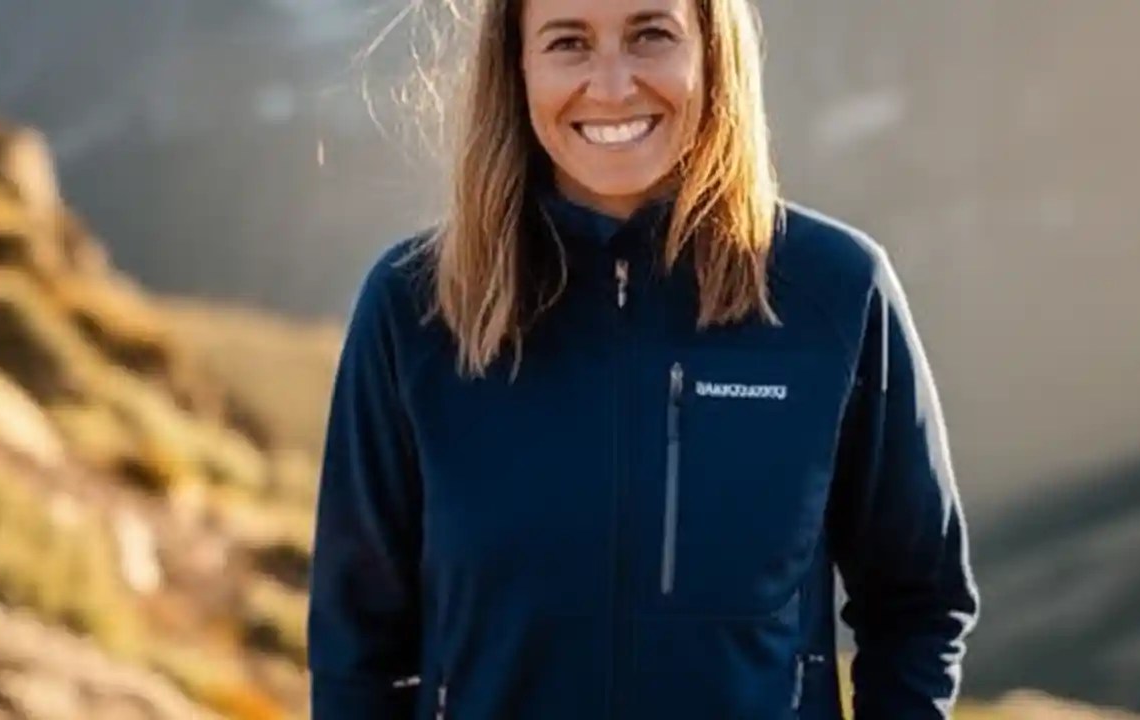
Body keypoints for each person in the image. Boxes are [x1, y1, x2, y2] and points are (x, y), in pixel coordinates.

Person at [306, 0, 980, 717]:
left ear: (710, 51)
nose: (613, 85)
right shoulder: (415, 307)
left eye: (650, 34)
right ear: (517, 67)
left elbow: (918, 604)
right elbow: (359, 648)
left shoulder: (836, 292)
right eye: (569, 42)